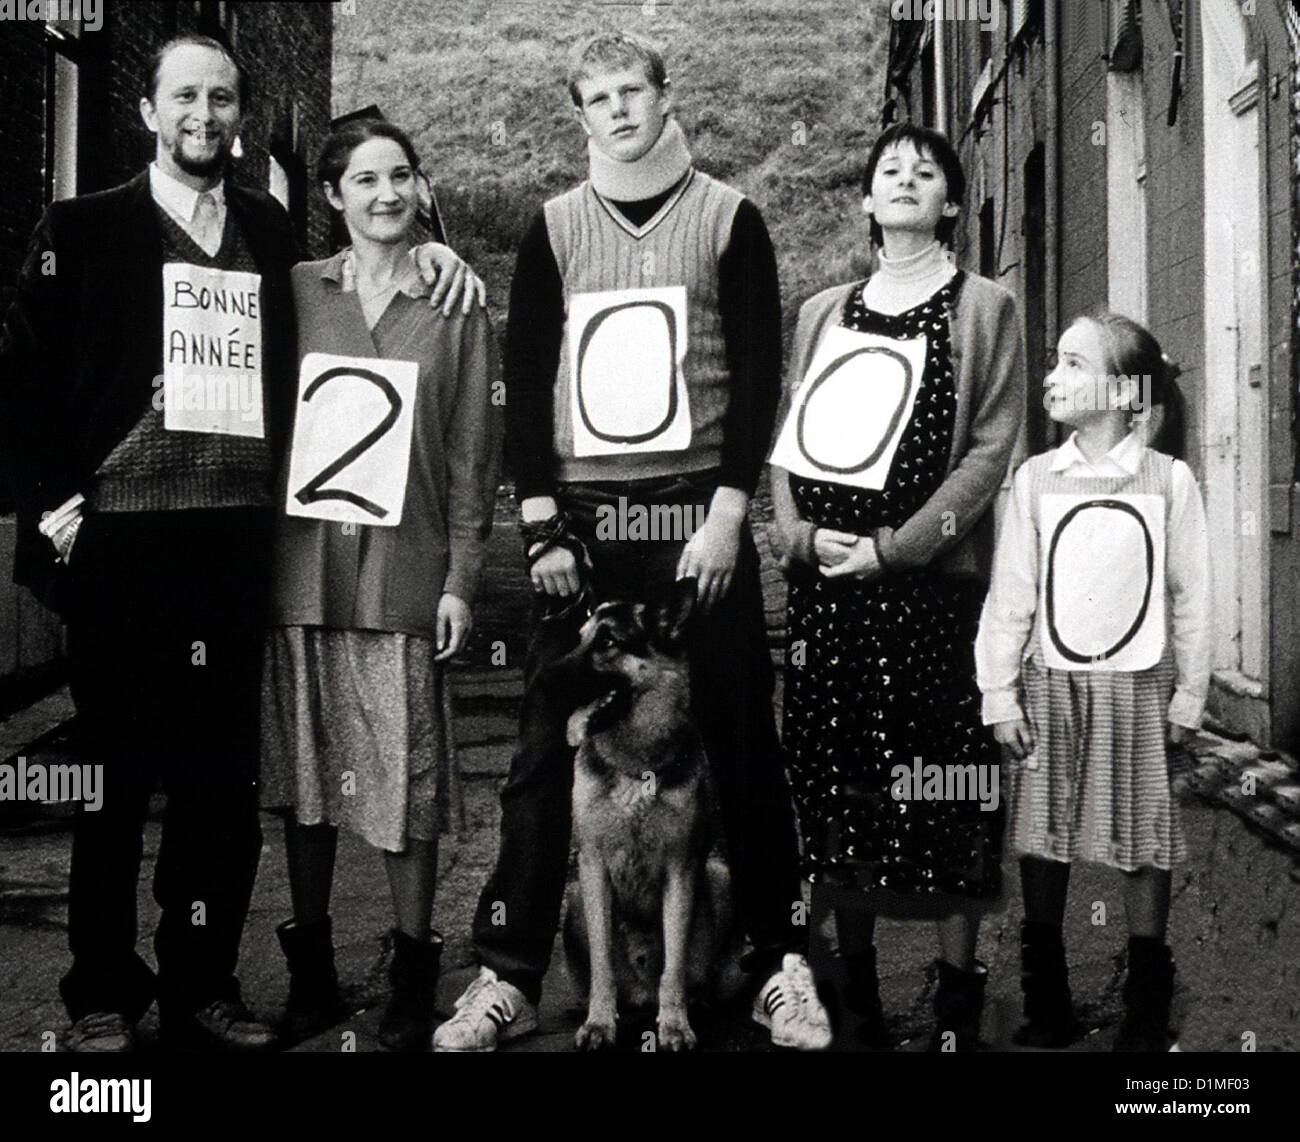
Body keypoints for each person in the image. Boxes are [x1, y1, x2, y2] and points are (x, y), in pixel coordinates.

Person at [0, 34, 481, 1053]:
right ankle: (99, 991)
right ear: (147, 109)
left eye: (222, 99)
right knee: (113, 781)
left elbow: (363, 265)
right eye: (186, 96)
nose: (204, 116)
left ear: (239, 114)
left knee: (218, 784)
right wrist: (51, 503)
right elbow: (20, 380)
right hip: (119, 540)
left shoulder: (267, 234)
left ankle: (203, 984)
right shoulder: (82, 230)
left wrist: (433, 246)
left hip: (230, 542)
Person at [434, 31, 830, 1052]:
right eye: (596, 98)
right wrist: (539, 525)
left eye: (631, 91)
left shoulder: (728, 215)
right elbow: (523, 374)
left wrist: (731, 512)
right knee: (541, 747)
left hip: (697, 512)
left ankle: (781, 965)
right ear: (580, 115)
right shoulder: (555, 227)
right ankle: (510, 971)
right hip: (589, 521)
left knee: (739, 728)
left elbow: (756, 376)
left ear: (664, 96)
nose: (616, 110)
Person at [770, 122, 1024, 1051]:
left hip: (930, 594)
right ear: (867, 203)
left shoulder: (986, 306)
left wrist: (900, 547)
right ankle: (858, 997)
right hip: (830, 597)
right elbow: (788, 446)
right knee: (839, 788)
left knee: (948, 788)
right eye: (889, 171)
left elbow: (994, 449)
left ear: (950, 203)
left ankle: (958, 996)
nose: (906, 180)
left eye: (926, 173)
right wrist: (799, 536)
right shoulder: (821, 313)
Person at [260, 119, 502, 1052]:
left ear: (421, 187)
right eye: (365, 180)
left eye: (402, 175)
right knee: (309, 781)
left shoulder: (456, 304)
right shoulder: (296, 295)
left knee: (405, 784)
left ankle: (411, 972)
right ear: (331, 195)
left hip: (405, 569)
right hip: (303, 569)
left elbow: (476, 459)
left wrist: (462, 580)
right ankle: (312, 977)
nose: (386, 195)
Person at [975, 312, 1210, 1052]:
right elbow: (1010, 594)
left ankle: (1145, 1004)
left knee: (1144, 839)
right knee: (1045, 839)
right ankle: (1049, 1000)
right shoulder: (1034, 479)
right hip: (1052, 686)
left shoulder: (1169, 479)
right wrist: (999, 692)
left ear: (1125, 390)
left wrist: (1191, 696)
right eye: (1055, 361)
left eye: (1075, 364)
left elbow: (1192, 594)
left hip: (1138, 685)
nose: (1054, 376)